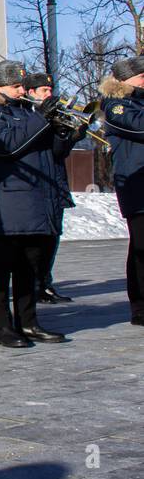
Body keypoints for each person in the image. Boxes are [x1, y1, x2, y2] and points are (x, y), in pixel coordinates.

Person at [0, 60, 74, 348]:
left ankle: (28, 322)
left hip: (37, 197)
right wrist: (41, 119)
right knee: (4, 264)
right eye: (15, 86)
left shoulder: (28, 113)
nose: (21, 90)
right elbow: (8, 145)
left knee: (30, 263)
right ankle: (3, 326)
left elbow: (54, 153)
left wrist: (62, 130)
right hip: (10, 201)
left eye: (22, 85)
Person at [99, 55, 144, 324]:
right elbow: (139, 126)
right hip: (136, 183)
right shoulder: (116, 105)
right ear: (126, 79)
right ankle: (139, 306)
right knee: (141, 247)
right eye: (141, 76)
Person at [26, 74, 75, 304]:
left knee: (53, 238)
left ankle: (45, 283)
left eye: (49, 89)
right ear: (31, 93)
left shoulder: (53, 115)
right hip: (38, 186)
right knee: (38, 243)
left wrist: (71, 135)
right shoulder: (29, 115)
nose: (49, 94)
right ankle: (34, 286)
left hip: (56, 182)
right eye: (43, 90)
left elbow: (58, 151)